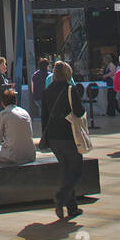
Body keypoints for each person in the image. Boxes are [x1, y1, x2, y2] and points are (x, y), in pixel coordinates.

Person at [41, 59, 85, 219]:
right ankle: (61, 196)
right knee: (77, 170)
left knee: (66, 170)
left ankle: (72, 207)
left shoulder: (47, 91)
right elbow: (79, 112)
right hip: (68, 135)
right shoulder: (70, 89)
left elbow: (44, 115)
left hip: (53, 137)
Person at [0, 88, 36, 164]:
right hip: (30, 154)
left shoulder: (2, 115)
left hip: (13, 155)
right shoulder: (25, 113)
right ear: (15, 101)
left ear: (2, 103)